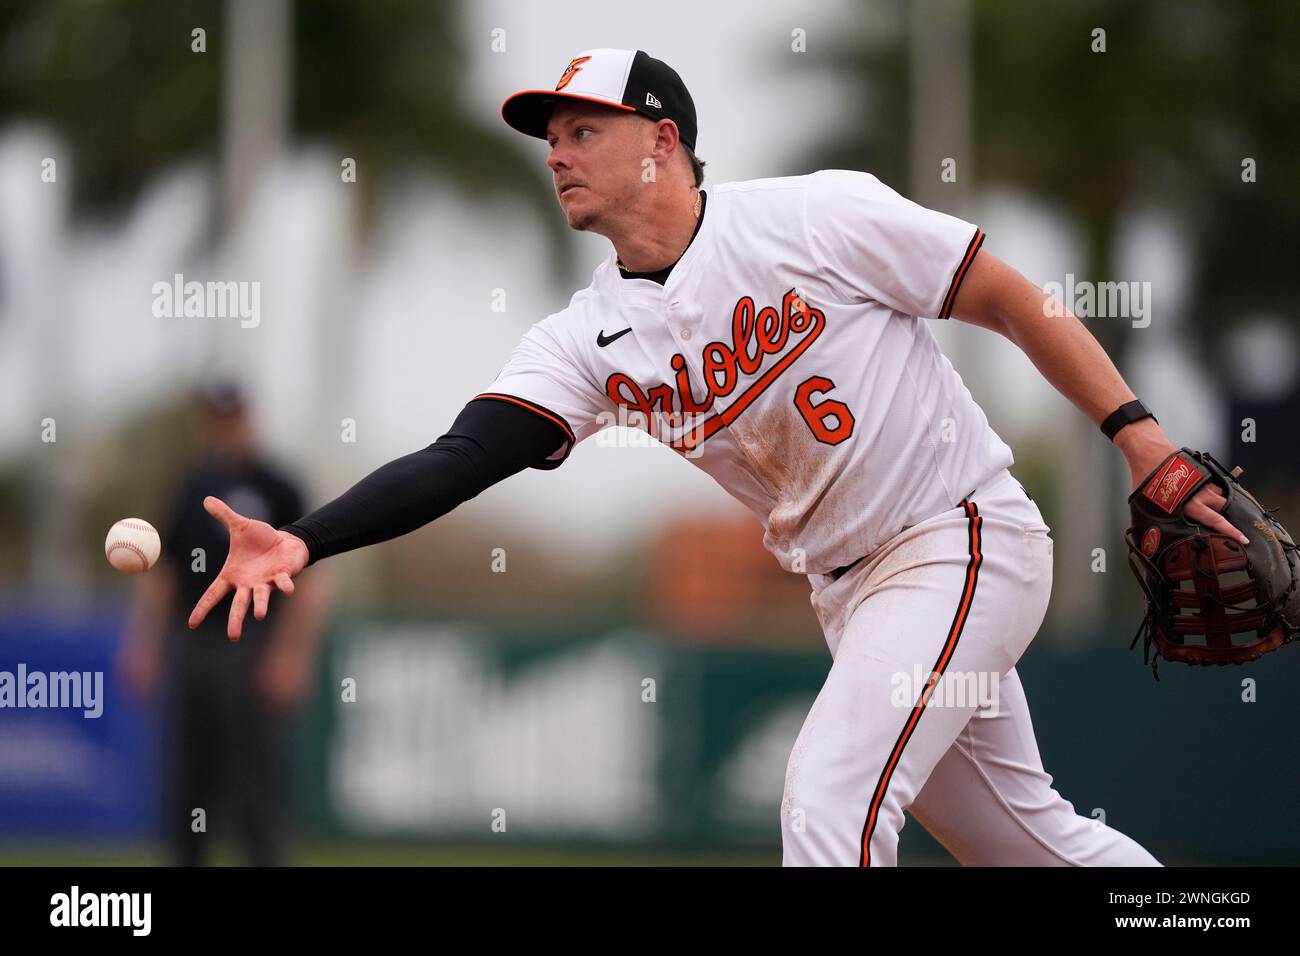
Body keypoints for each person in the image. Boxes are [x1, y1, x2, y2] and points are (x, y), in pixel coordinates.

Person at [184, 49, 1249, 866]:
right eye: (549, 135)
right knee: (1030, 845)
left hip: (961, 535)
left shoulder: (811, 217)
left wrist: (1137, 436)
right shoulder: (585, 338)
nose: (555, 151)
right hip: (854, 596)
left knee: (829, 797)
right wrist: (307, 536)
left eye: (580, 129)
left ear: (659, 138)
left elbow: (1011, 297)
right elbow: (467, 453)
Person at [119, 381, 333, 866]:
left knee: (258, 779)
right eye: (217, 418)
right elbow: (163, 574)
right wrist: (143, 647)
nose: (226, 427)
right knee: (188, 778)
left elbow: (315, 579)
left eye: (233, 416)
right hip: (193, 642)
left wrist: (290, 655)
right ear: (206, 423)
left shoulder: (279, 485)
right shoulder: (191, 484)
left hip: (254, 643)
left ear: (249, 418)